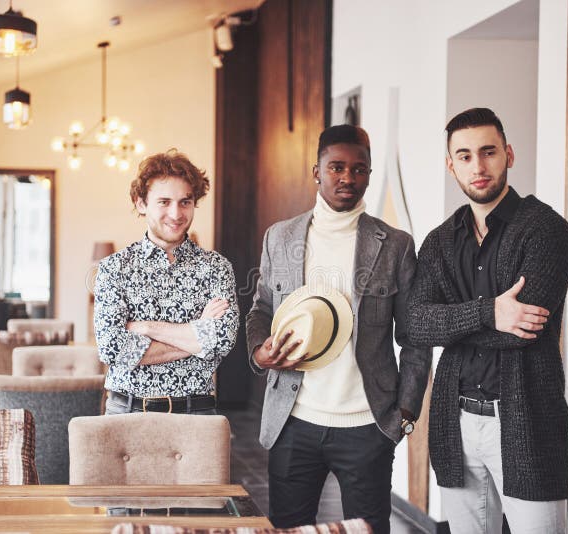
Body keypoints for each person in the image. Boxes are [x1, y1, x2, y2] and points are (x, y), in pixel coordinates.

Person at [245, 124, 431, 533]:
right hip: (293, 422)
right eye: (337, 168)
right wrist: (260, 349)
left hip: (367, 424)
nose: (348, 178)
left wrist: (404, 413)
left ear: (368, 173)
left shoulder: (395, 244)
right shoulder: (281, 237)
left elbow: (415, 337)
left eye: (359, 169)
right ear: (317, 171)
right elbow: (260, 309)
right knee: (290, 529)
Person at [407, 108, 568, 534]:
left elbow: (524, 331)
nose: (478, 167)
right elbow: (414, 325)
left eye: (488, 152)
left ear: (509, 154)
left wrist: (452, 321)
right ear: (451, 165)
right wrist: (490, 312)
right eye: (464, 156)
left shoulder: (546, 230)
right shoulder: (440, 241)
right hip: (455, 423)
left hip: (527, 421)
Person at [94, 149, 239, 415]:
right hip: (128, 410)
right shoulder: (114, 269)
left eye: (185, 202)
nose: (176, 213)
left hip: (196, 412)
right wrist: (197, 334)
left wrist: (146, 328)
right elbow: (113, 349)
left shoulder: (217, 267)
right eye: (164, 202)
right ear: (141, 203)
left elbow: (222, 340)